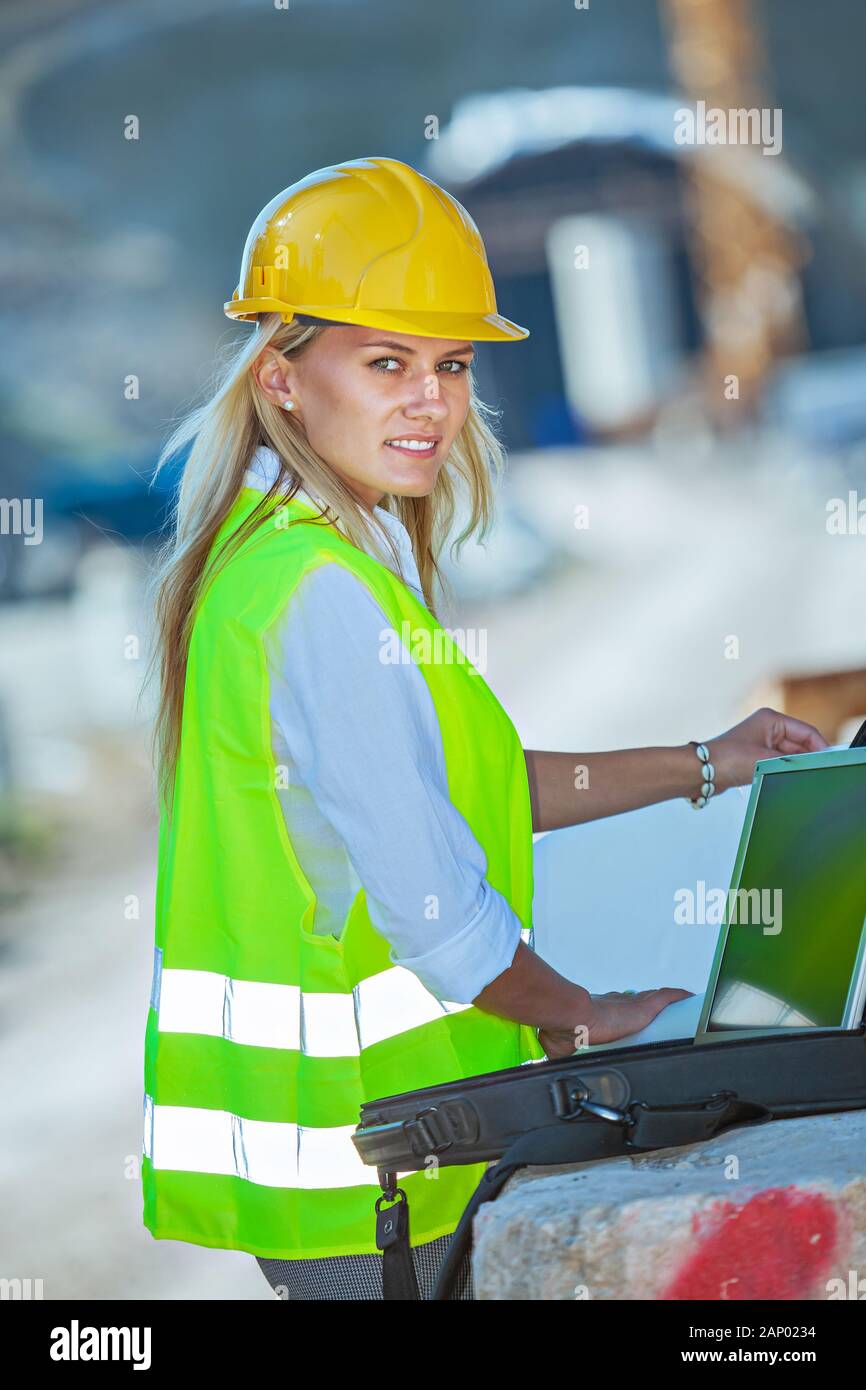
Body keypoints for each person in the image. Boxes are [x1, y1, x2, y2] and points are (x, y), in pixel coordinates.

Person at [141, 156, 828, 1301]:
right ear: (281, 379)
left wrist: (706, 761)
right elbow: (436, 919)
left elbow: (457, 788)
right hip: (380, 1185)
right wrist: (586, 1013)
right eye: (384, 362)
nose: (430, 402)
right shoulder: (316, 592)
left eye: (449, 365)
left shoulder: (285, 561)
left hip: (365, 1174)